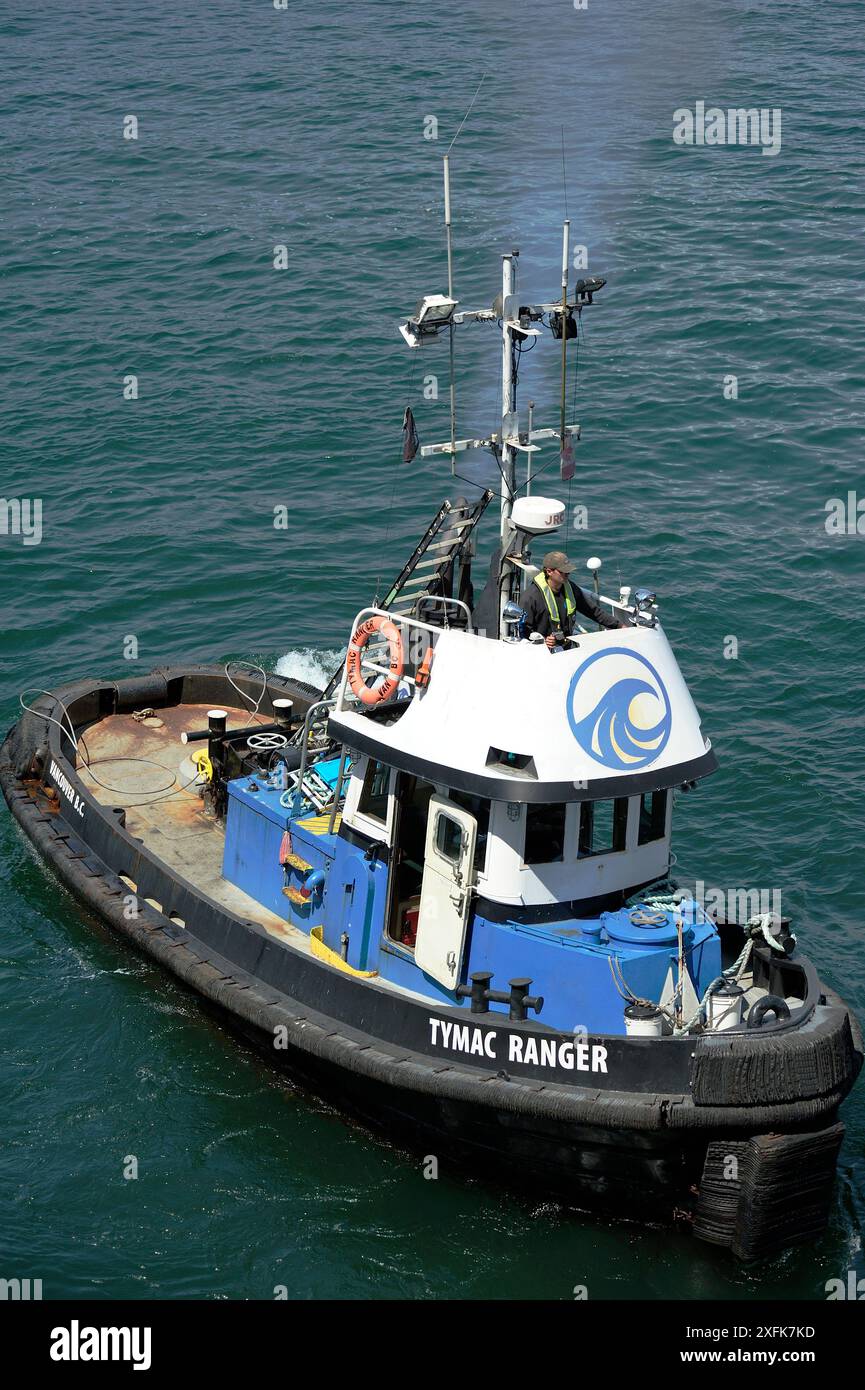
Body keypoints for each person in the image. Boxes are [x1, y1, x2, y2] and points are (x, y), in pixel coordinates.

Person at [521, 550, 625, 649]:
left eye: (568, 571)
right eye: (563, 572)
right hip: (542, 650)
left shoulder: (571, 588)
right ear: (549, 572)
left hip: (567, 646)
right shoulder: (531, 597)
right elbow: (523, 630)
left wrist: (619, 626)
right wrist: (543, 640)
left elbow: (593, 611)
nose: (568, 574)